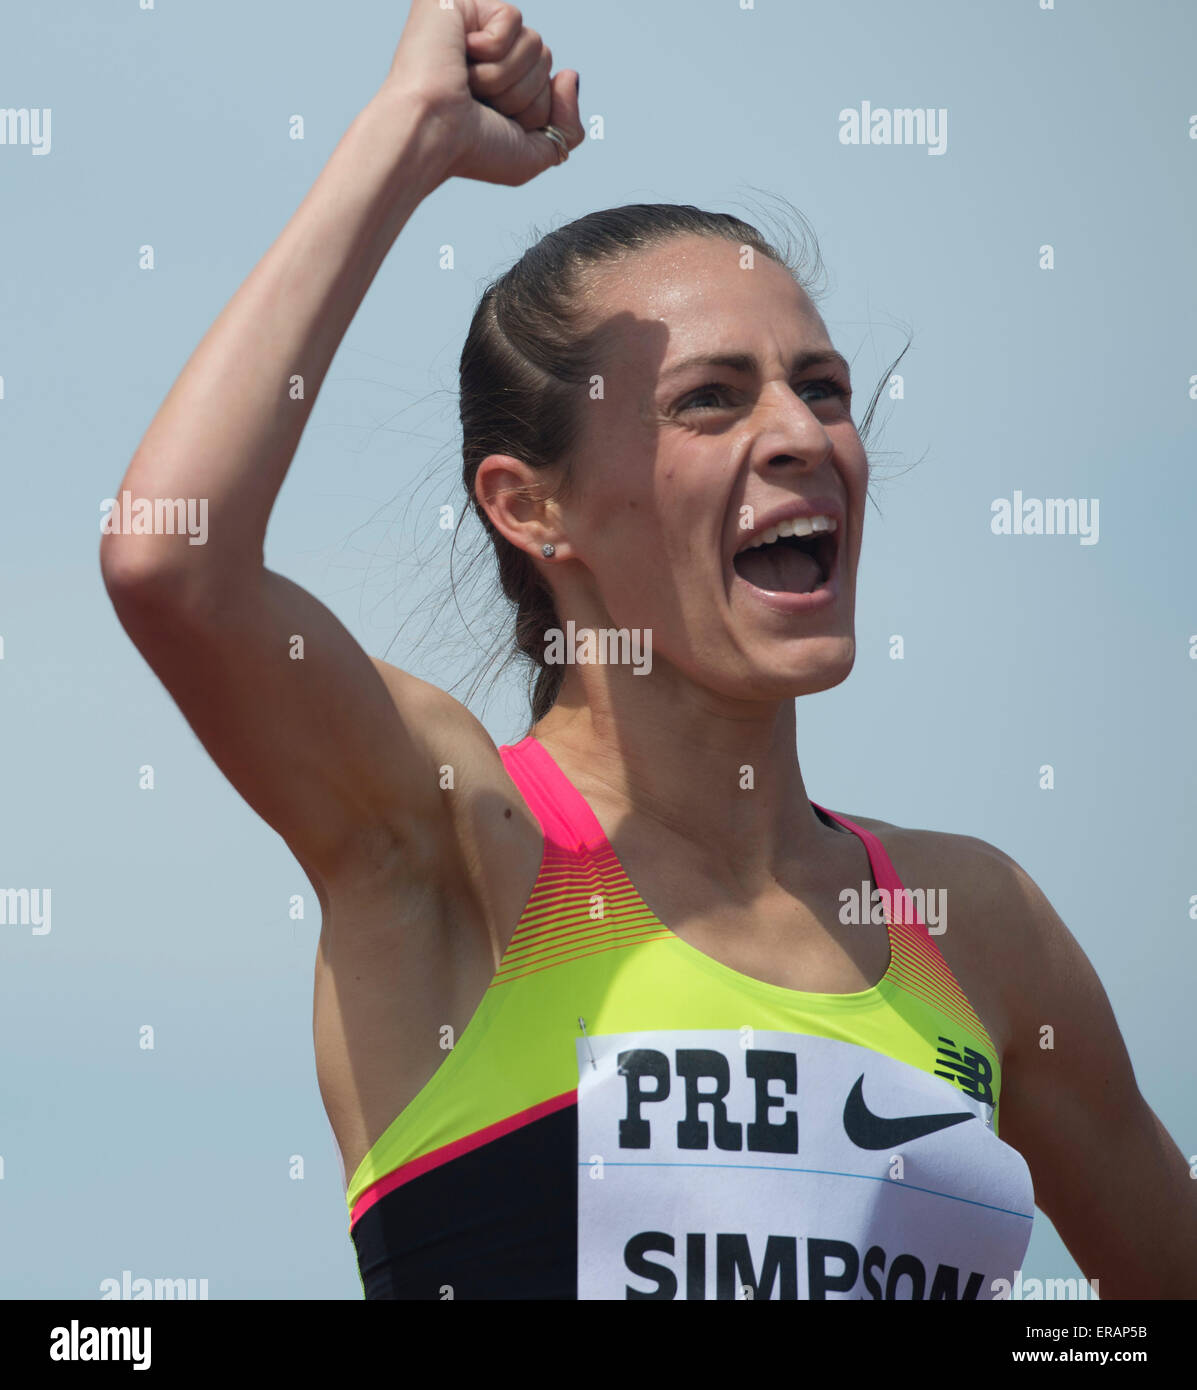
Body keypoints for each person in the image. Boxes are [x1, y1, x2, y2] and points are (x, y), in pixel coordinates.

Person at [100, 0, 1196, 1300]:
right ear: (529, 506)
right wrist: (403, 140)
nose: (801, 434)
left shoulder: (979, 919)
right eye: (710, 400)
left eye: (823, 387)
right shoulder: (460, 840)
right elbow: (172, 560)